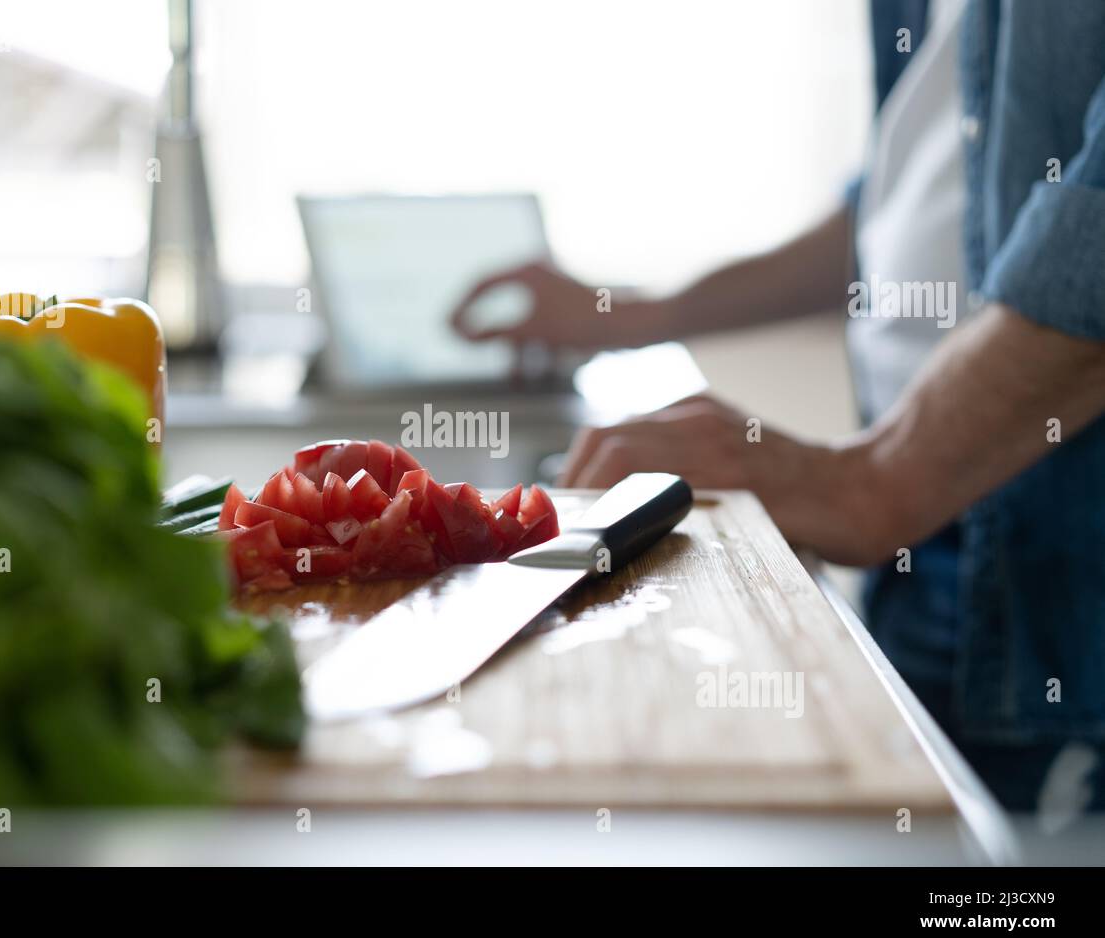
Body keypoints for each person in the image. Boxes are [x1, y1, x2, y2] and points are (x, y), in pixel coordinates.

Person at [449, 0, 1105, 813]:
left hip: (1063, 571)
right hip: (928, 548)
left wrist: (873, 480)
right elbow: (892, 209)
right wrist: (630, 315)